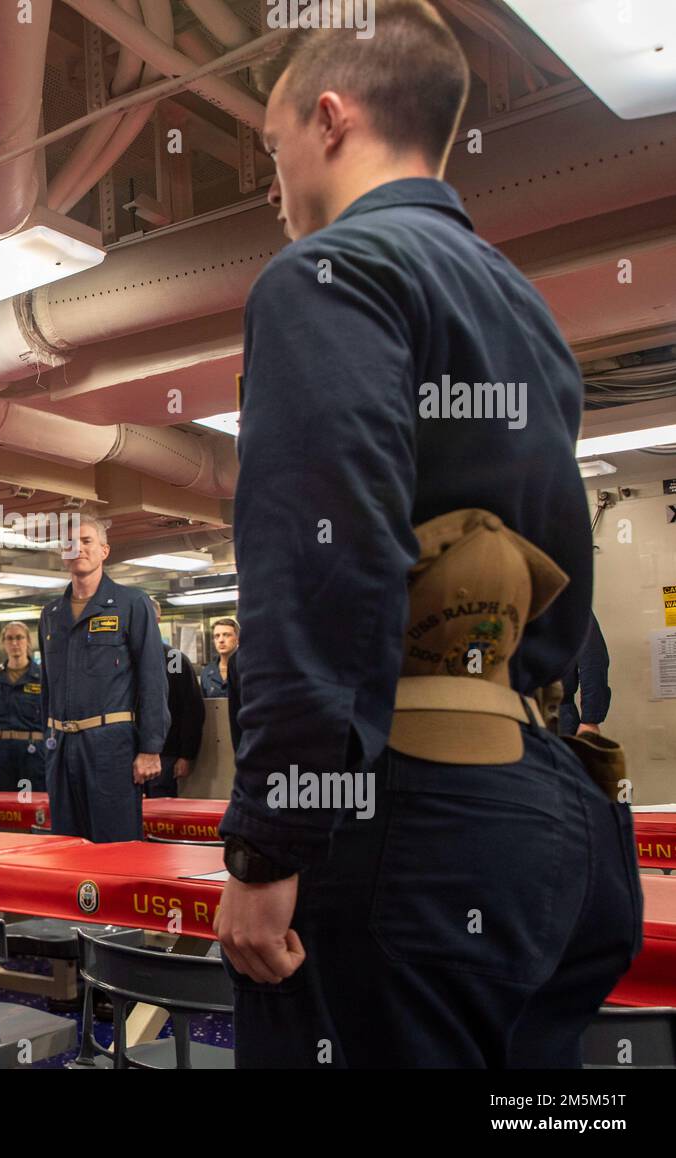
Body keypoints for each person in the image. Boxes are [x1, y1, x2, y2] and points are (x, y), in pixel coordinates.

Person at [213, 0, 641, 1068]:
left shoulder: (327, 274)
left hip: (404, 818)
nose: (272, 189)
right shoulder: (522, 305)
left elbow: (324, 554)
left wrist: (269, 845)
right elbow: (555, 573)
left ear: (328, 118)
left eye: (271, 152)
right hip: (547, 818)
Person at [38, 514, 168, 841]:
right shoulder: (51, 615)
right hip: (62, 746)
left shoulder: (132, 603)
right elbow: (47, 688)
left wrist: (151, 748)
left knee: (115, 844)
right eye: (69, 543)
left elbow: (152, 678)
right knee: (65, 845)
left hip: (111, 746)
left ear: (104, 550)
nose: (77, 549)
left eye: (86, 541)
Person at [147, 597, 204, 799]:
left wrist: (186, 754)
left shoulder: (173, 660)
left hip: (166, 753)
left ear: (157, 619)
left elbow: (190, 708)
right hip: (129, 753)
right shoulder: (124, 658)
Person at [0, 621, 45, 794]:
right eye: (9, 638)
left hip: (31, 754)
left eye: (19, 638)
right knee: (2, 807)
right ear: (3, 644)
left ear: (28, 642)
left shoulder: (42, 676)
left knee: (27, 804)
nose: (14, 643)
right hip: (0, 753)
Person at [559, 612, 610, 737]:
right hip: (510, 709)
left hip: (555, 714)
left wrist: (590, 720)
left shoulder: (564, 600)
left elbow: (593, 659)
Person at [200, 618, 239, 699]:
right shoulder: (207, 672)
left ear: (237, 639)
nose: (221, 640)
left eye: (226, 635)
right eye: (217, 636)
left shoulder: (247, 669)